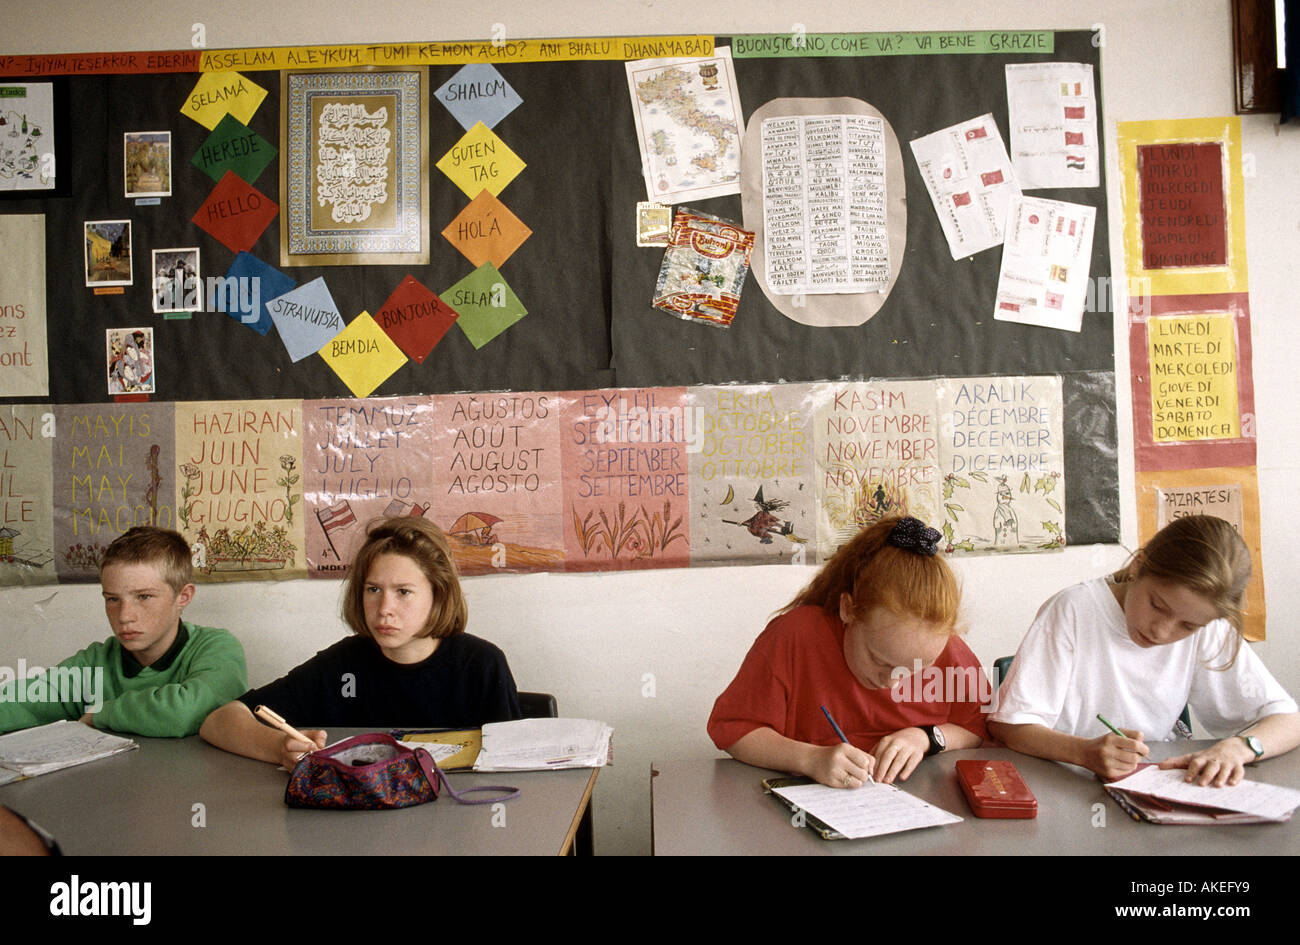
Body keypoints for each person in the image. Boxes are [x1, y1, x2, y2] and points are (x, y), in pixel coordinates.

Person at [988, 515, 1300, 786]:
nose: (1161, 631)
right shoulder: (1075, 609)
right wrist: (1084, 752)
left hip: (1149, 785)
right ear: (1138, 565)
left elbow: (1289, 721)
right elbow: (1009, 726)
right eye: (1157, 605)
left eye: (1187, 627)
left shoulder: (1209, 625)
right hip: (1062, 783)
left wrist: (1241, 747)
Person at [200, 517, 521, 768]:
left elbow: (515, 766)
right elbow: (219, 721)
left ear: (438, 594)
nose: (384, 609)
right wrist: (277, 748)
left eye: (403, 592)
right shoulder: (342, 665)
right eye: (373, 589)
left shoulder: (481, 664)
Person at [708, 516, 989, 788]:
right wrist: (810, 759)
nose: (892, 682)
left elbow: (978, 727)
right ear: (848, 610)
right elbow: (735, 730)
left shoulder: (945, 646)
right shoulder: (796, 636)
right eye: (880, 660)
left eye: (916, 668)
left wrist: (926, 737)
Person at [0, 527, 247, 737]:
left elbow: (187, 710)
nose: (124, 615)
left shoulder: (218, 648)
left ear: (183, 596)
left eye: (144, 596)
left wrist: (102, 713)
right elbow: (24, 698)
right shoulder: (96, 662)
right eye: (112, 599)